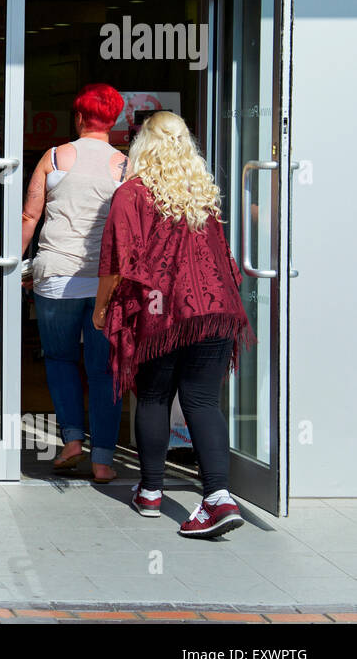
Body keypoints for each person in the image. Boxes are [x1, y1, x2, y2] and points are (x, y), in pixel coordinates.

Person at [93, 111, 252, 538]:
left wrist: (101, 308)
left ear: (142, 147)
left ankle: (151, 493)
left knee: (153, 396)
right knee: (202, 402)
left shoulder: (131, 194)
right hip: (216, 310)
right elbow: (223, 258)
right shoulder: (201, 192)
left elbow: (116, 261)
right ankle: (218, 497)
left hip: (161, 312)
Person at [21, 84, 127, 482]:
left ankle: (71, 440)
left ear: (79, 117)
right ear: (113, 120)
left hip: (56, 276)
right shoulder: (126, 166)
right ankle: (103, 461)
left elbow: (30, 217)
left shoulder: (54, 157)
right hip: (105, 282)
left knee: (60, 359)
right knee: (104, 370)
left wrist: (12, 264)